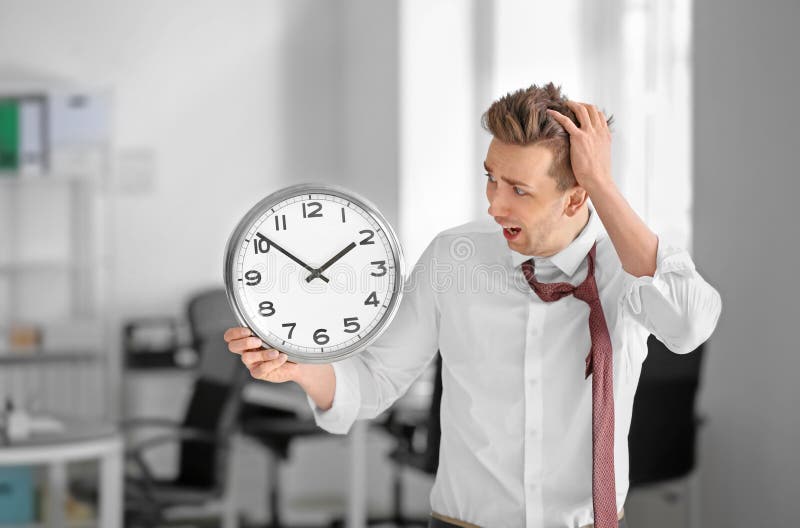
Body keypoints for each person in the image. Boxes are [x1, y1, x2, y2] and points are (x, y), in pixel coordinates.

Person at [225, 82, 722, 528]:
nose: (494, 204)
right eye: (491, 178)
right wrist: (300, 369)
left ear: (576, 198)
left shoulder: (629, 266)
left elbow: (689, 324)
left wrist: (604, 187)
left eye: (518, 190)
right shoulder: (453, 256)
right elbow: (375, 383)